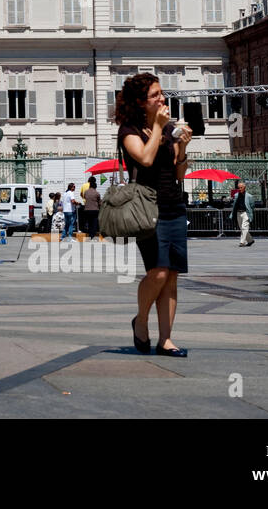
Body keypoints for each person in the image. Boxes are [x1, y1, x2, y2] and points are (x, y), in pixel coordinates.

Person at [118, 72, 191, 358]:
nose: (162, 98)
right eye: (155, 95)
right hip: (146, 208)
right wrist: (160, 128)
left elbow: (179, 172)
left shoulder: (169, 128)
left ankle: (166, 339)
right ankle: (141, 319)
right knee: (158, 271)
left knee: (171, 275)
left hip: (173, 205)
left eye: (161, 93)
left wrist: (183, 145)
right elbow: (146, 159)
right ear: (140, 102)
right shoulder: (129, 131)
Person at [232, 182, 254, 246]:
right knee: (242, 228)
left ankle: (242, 242)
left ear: (244, 188)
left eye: (241, 187)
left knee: (244, 227)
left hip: (245, 213)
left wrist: (250, 213)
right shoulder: (236, 195)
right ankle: (250, 240)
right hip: (238, 213)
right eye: (238, 188)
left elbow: (252, 206)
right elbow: (234, 205)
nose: (239, 189)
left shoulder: (249, 196)